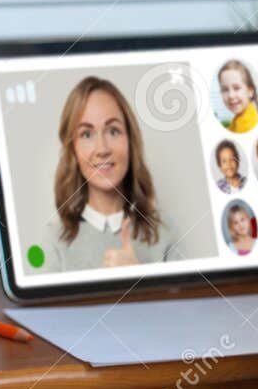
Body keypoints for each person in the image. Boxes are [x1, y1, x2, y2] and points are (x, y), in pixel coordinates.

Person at [44, 76, 179, 272]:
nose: (102, 149)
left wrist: (139, 276)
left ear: (130, 141)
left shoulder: (166, 232)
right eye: (87, 134)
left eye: (113, 131)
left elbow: (187, 302)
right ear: (73, 149)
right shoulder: (53, 240)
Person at [217, 59, 258, 132]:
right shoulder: (236, 122)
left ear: (250, 92)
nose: (231, 95)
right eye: (225, 89)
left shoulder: (248, 126)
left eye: (236, 88)